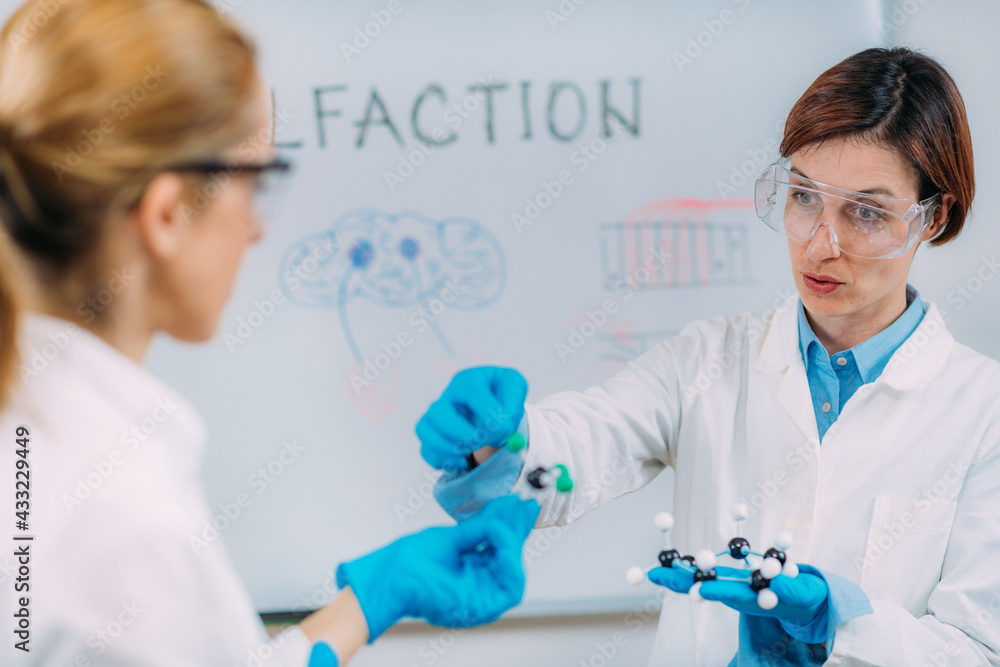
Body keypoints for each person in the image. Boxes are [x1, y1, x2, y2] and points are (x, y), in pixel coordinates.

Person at [418, 47, 1000, 665]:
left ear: (932, 217)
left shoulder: (984, 411)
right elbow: (584, 443)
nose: (821, 245)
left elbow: (978, 645)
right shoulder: (709, 359)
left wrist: (839, 624)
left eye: (866, 212)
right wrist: (499, 440)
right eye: (803, 197)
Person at [0, 1, 539, 665]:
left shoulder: (44, 432)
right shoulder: (123, 516)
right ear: (167, 215)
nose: (258, 227)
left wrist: (369, 600)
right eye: (256, 179)